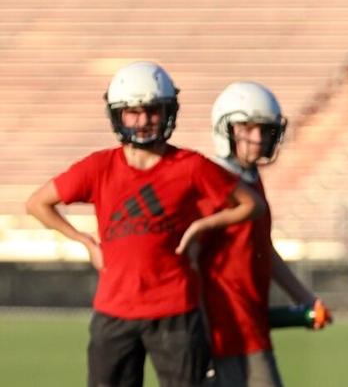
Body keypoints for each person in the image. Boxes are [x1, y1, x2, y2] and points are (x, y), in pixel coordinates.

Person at [25, 61, 263, 387]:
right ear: (117, 114)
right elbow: (37, 203)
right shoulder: (98, 167)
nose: (145, 120)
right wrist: (84, 241)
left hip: (175, 310)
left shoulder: (190, 166)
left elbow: (252, 204)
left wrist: (203, 225)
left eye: (153, 111)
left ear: (168, 112)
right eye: (134, 112)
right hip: (114, 311)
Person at [201, 81, 331, 387]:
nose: (258, 139)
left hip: (249, 326)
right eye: (248, 128)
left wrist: (305, 298)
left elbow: (261, 249)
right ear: (227, 129)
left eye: (264, 130)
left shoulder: (250, 178)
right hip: (221, 329)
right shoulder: (212, 181)